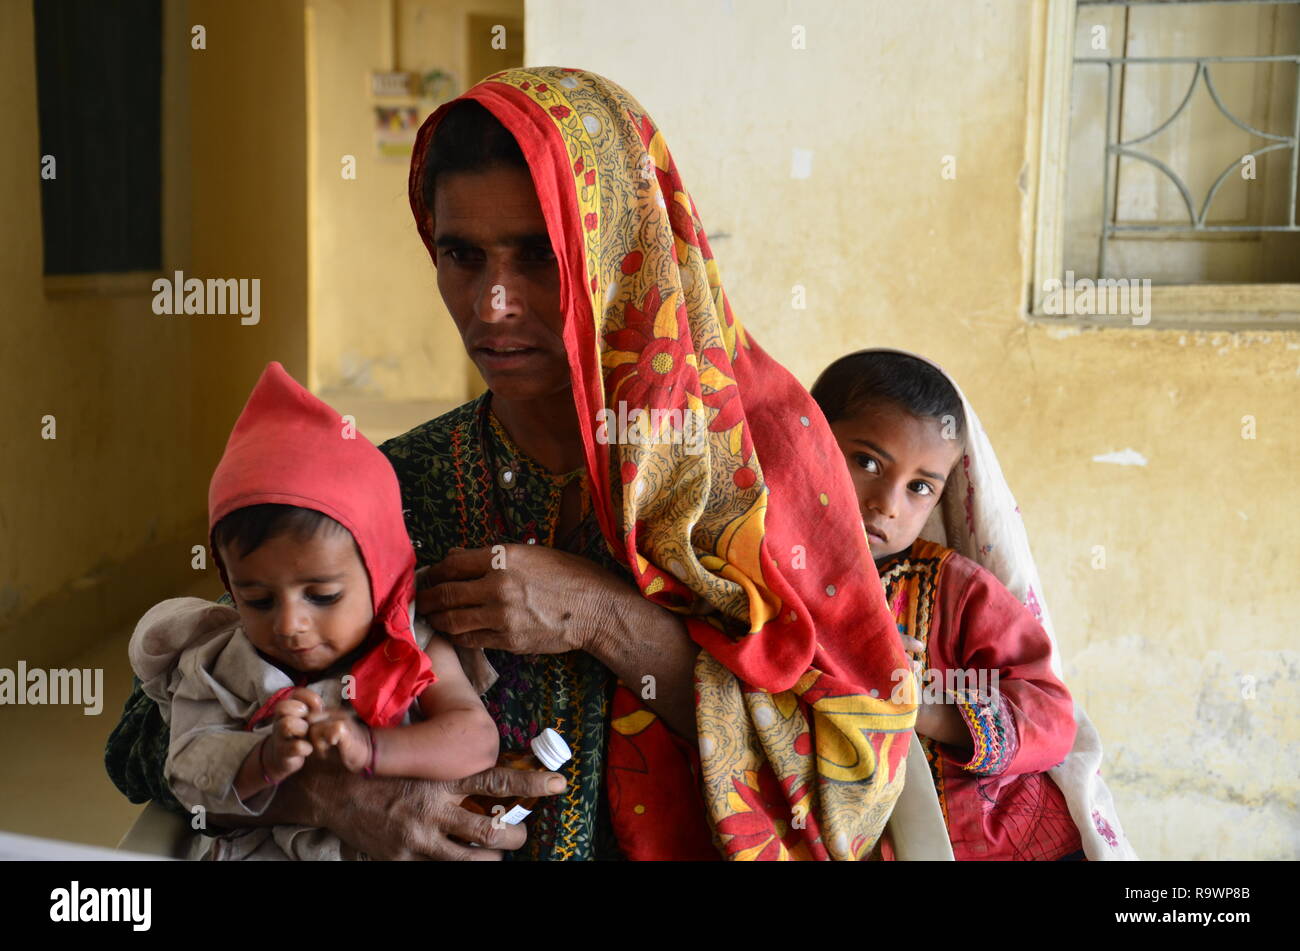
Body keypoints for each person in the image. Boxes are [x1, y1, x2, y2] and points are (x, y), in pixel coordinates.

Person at [106, 67, 915, 861]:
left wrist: (607, 618)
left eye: (538, 256)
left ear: (622, 256)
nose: (492, 306)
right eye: (462, 255)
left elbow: (856, 785)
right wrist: (339, 797)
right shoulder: (392, 489)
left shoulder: (755, 470)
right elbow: (148, 739)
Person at [129, 361, 499, 859]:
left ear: (382, 572)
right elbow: (188, 771)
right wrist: (264, 760)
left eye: (322, 596)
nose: (288, 625)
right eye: (257, 600)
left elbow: (474, 739)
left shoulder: (412, 645)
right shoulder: (221, 663)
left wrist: (371, 750)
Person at [812, 348, 1138, 860]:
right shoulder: (767, 574)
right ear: (808, 441)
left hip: (1005, 840)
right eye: (867, 461)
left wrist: (924, 707)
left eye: (919, 486)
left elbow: (1051, 715)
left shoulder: (957, 589)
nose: (887, 503)